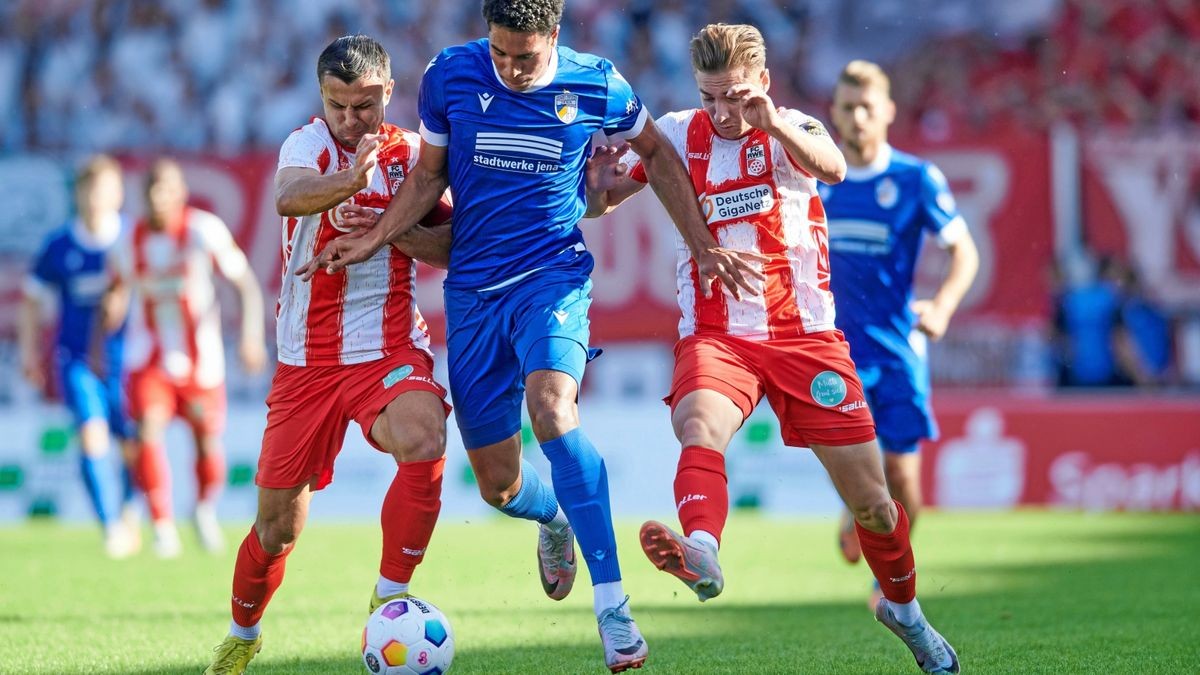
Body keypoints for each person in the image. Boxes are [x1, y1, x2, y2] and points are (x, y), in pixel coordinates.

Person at [300, 2, 763, 672]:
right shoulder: (450, 76)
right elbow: (430, 176)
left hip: (552, 277)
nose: (511, 68)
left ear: (553, 35)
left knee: (553, 409)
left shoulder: (597, 82)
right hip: (473, 292)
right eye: (500, 52)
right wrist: (374, 235)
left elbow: (656, 157)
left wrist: (701, 243)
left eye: (524, 55)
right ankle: (554, 518)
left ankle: (613, 608)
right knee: (497, 484)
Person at [587, 25, 960, 674]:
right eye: (711, 98)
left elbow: (835, 166)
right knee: (698, 422)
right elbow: (606, 201)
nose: (723, 113)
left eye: (734, 95)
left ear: (761, 82)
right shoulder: (676, 133)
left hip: (804, 337)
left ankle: (905, 610)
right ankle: (702, 547)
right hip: (718, 332)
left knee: (874, 502)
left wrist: (774, 126)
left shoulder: (793, 127)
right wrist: (593, 188)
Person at [203, 35, 455, 675]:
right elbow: (289, 195)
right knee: (277, 530)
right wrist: (349, 182)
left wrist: (389, 231)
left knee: (424, 435)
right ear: (323, 99)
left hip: (388, 347)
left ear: (387, 94)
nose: (350, 119)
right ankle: (243, 632)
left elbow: (453, 246)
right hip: (306, 361)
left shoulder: (413, 157)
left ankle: (391, 594)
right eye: (338, 105)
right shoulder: (307, 145)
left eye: (364, 106)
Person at [821, 60, 979, 605]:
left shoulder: (916, 179)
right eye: (847, 107)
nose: (858, 117)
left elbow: (964, 250)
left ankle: (880, 557)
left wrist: (943, 305)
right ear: (834, 114)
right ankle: (863, 517)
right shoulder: (815, 179)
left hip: (895, 349)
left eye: (868, 106)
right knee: (853, 464)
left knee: (904, 481)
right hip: (830, 351)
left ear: (887, 111)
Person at [105, 158, 267, 559]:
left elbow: (244, 283)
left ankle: (202, 509)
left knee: (206, 440)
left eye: (167, 190)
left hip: (201, 362)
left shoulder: (202, 231)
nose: (159, 198)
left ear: (180, 194)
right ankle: (161, 525)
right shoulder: (129, 241)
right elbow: (117, 289)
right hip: (149, 359)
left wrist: (250, 335)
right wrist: (111, 308)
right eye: (152, 190)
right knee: (147, 431)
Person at [18, 155, 140, 559]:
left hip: (128, 357)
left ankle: (127, 508)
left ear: (118, 194)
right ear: (77, 194)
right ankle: (110, 527)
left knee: (129, 443)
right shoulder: (60, 244)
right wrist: (29, 352)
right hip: (76, 360)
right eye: (88, 189)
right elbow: (32, 302)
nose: (95, 198)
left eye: (103, 189)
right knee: (91, 436)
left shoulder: (131, 239)